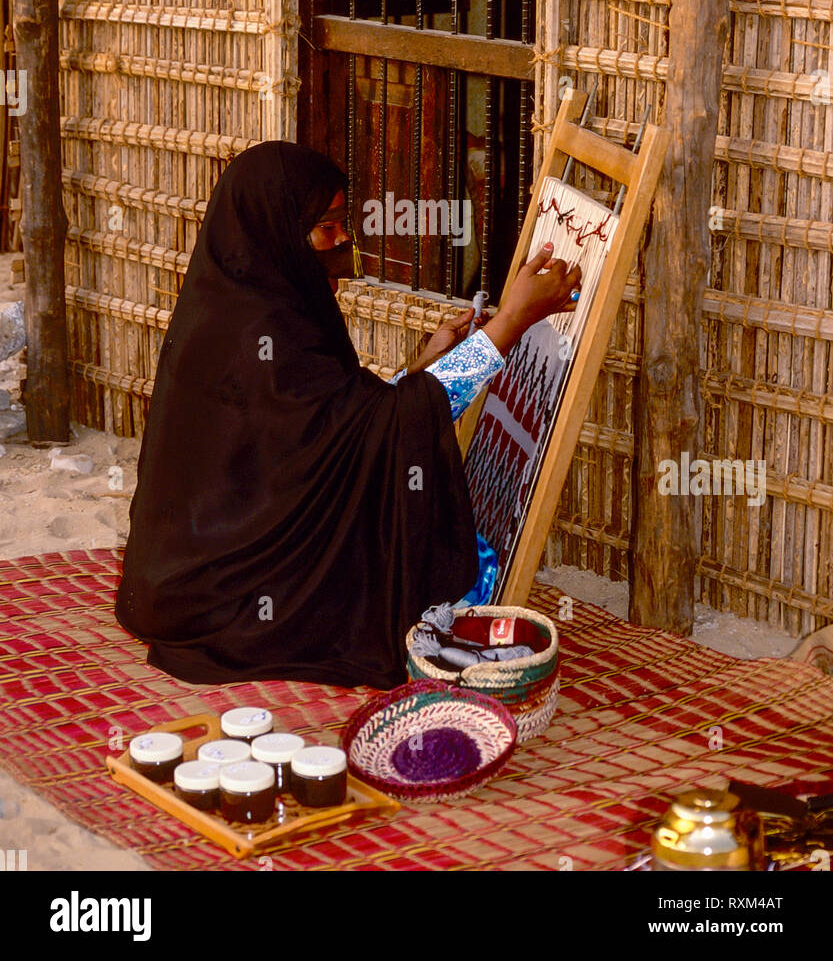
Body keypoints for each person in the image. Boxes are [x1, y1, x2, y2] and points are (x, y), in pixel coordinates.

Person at [114, 141, 580, 689]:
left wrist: (427, 366)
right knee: (396, 595)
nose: (341, 242)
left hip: (181, 579)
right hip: (230, 597)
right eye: (327, 227)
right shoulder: (259, 332)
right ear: (279, 225)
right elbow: (359, 436)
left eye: (342, 224)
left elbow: (334, 431)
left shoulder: (235, 301)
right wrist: (511, 326)